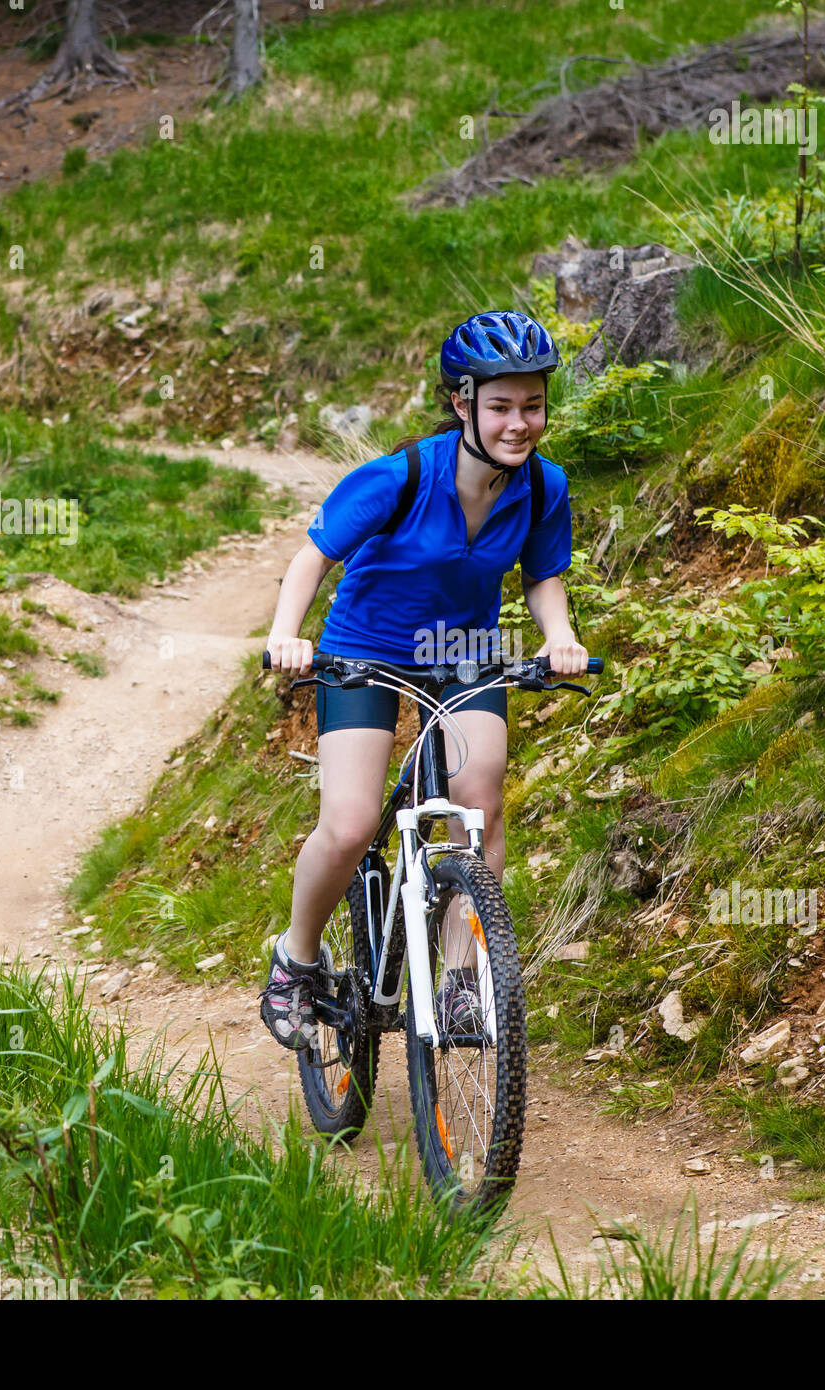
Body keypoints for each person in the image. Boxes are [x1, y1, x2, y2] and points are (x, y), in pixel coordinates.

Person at [259, 309, 589, 1050]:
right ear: (461, 402)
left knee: (479, 805)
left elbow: (543, 577)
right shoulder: (399, 477)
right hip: (364, 652)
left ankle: (462, 983)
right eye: (501, 406)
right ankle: (296, 960)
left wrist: (559, 639)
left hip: (466, 654)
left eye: (532, 405)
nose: (519, 423)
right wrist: (288, 634)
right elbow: (313, 557)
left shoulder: (543, 488)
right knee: (347, 827)